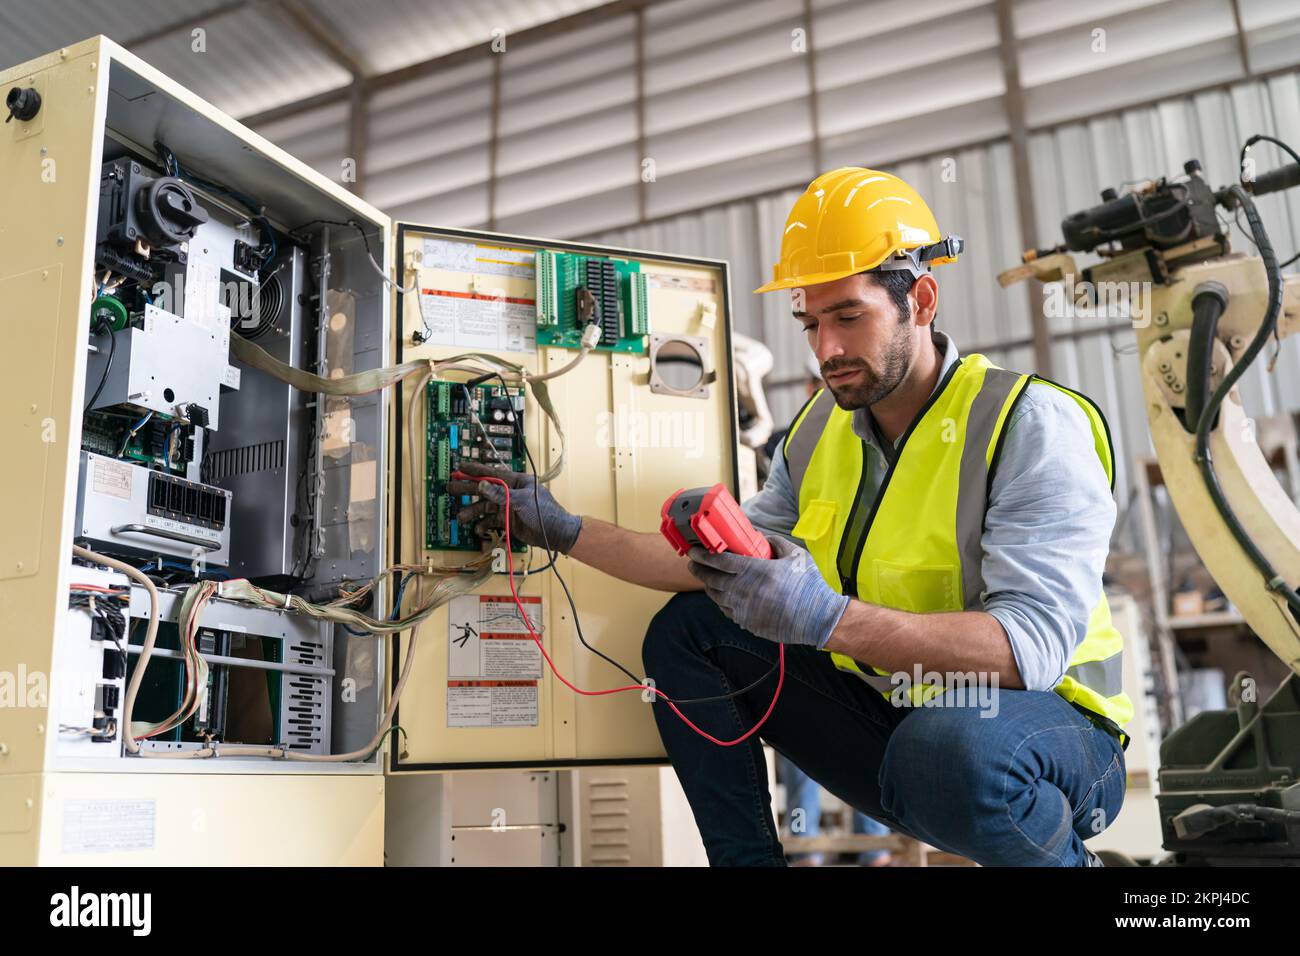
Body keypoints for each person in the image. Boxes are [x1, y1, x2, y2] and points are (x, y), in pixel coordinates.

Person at [448, 167, 1132, 867]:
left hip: (1056, 736)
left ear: (920, 299)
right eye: (810, 323)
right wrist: (559, 528)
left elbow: (1030, 651)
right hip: (899, 723)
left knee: (951, 749)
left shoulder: (1028, 422)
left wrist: (825, 618)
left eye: (848, 317)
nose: (826, 350)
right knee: (692, 631)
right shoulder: (819, 432)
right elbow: (708, 568)